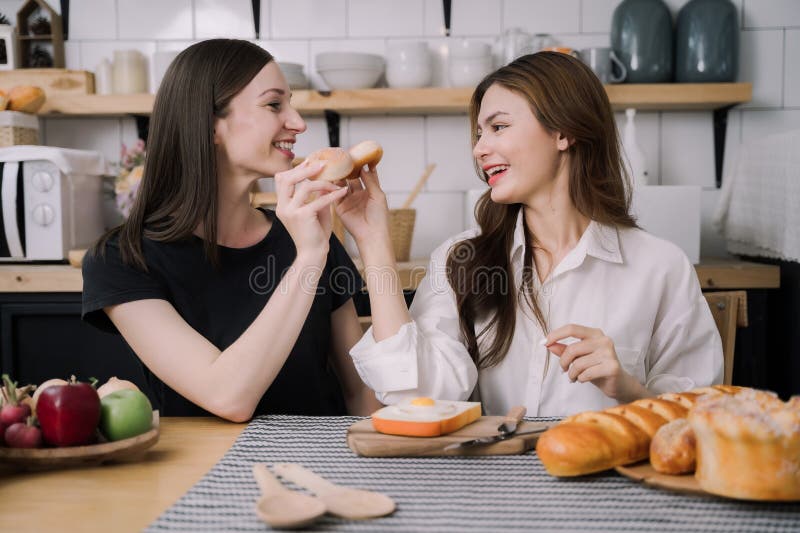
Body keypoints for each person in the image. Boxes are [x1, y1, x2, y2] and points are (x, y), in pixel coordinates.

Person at [335, 52, 723, 417]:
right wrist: (374, 242)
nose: (479, 149)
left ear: (564, 132)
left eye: (499, 127)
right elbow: (415, 396)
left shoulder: (661, 267)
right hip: (492, 483)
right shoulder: (460, 258)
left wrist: (627, 388)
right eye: (478, 134)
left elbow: (699, 416)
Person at [82, 39, 381, 421]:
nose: (299, 123)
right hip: (202, 477)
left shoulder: (310, 236)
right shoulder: (122, 259)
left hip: (320, 467)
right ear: (209, 125)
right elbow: (227, 397)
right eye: (275, 104)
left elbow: (361, 398)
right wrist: (308, 259)